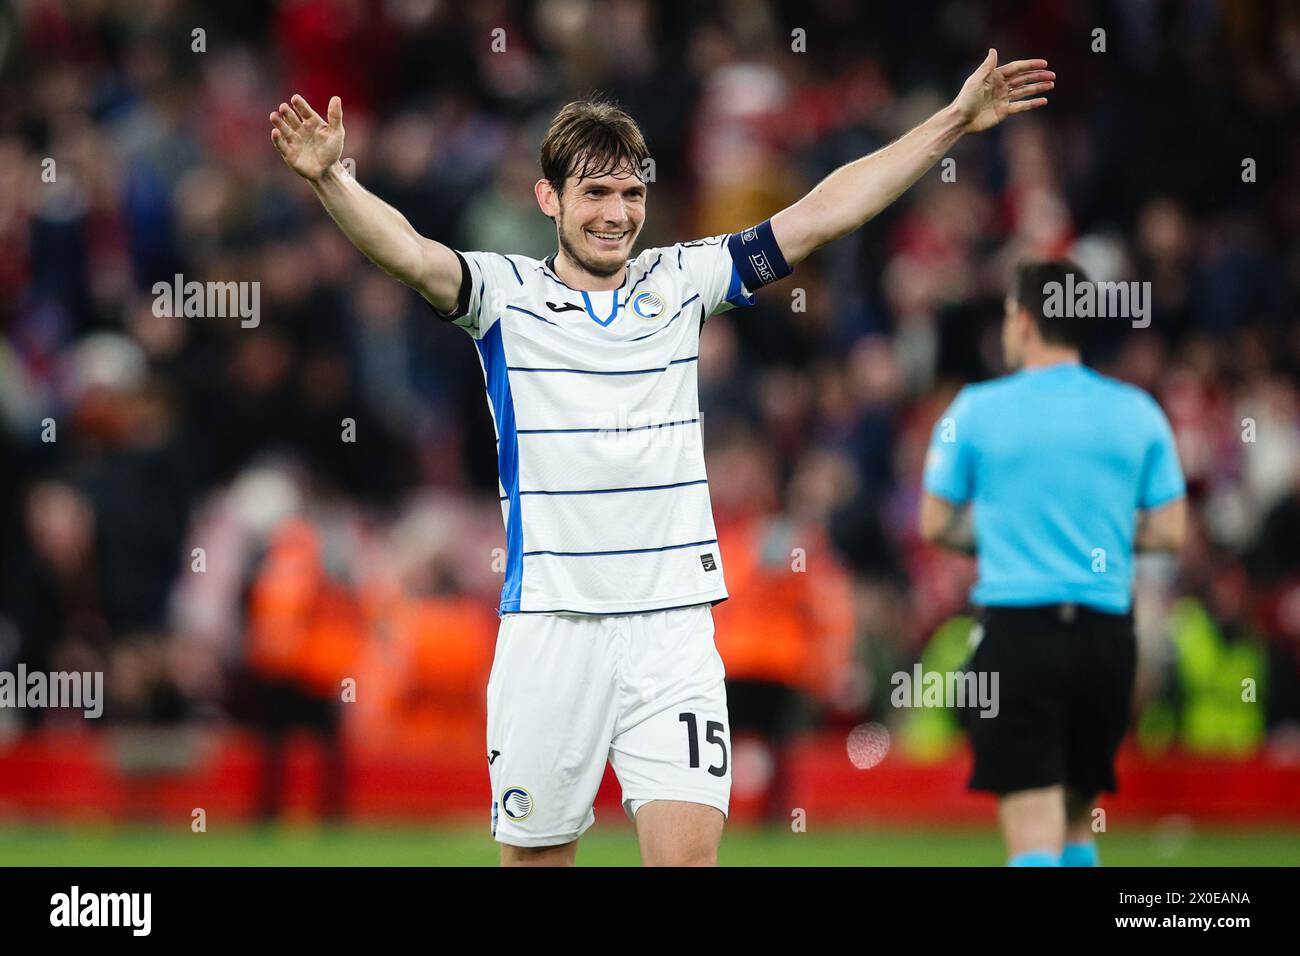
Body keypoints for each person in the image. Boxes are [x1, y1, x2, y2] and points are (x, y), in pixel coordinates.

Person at [270, 49, 1054, 867]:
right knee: (537, 861)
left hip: (672, 630)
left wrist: (954, 120)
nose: (616, 213)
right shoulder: (502, 295)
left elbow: (824, 211)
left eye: (631, 194)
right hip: (550, 627)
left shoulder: (683, 281)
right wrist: (333, 182)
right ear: (550, 198)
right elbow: (407, 251)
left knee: (687, 862)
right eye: (596, 193)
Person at [919, 260, 1187, 866]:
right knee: (1075, 824)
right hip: (1106, 637)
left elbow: (935, 522)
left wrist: (1011, 533)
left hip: (1019, 633)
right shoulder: (1137, 411)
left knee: (1032, 832)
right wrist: (1101, 536)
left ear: (1025, 322)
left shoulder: (977, 409)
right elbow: (1170, 532)